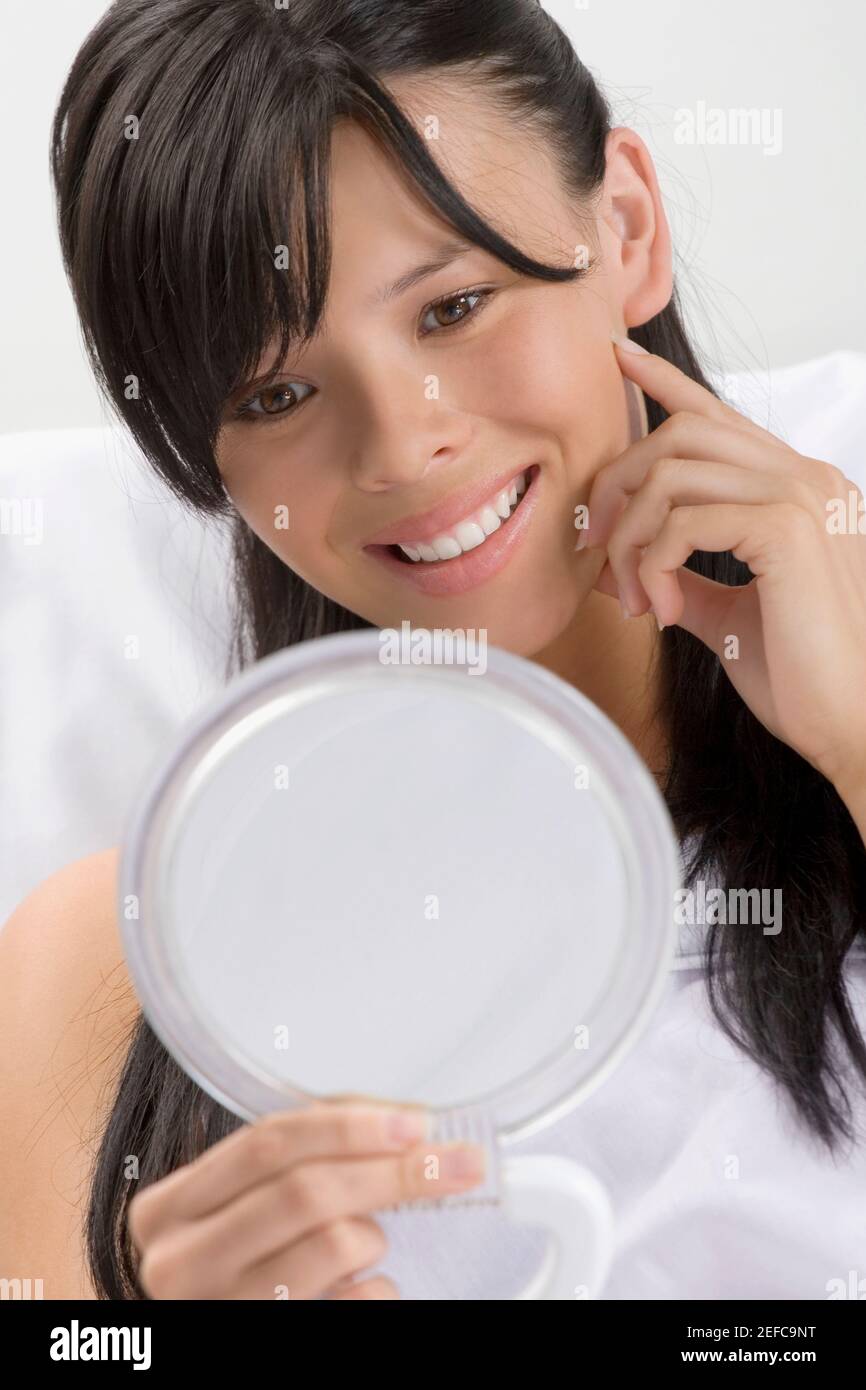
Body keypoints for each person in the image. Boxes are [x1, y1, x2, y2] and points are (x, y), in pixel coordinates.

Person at [2, 0, 865, 1300]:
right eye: (277, 395)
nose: (403, 449)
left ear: (624, 228)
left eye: (454, 305)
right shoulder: (124, 965)